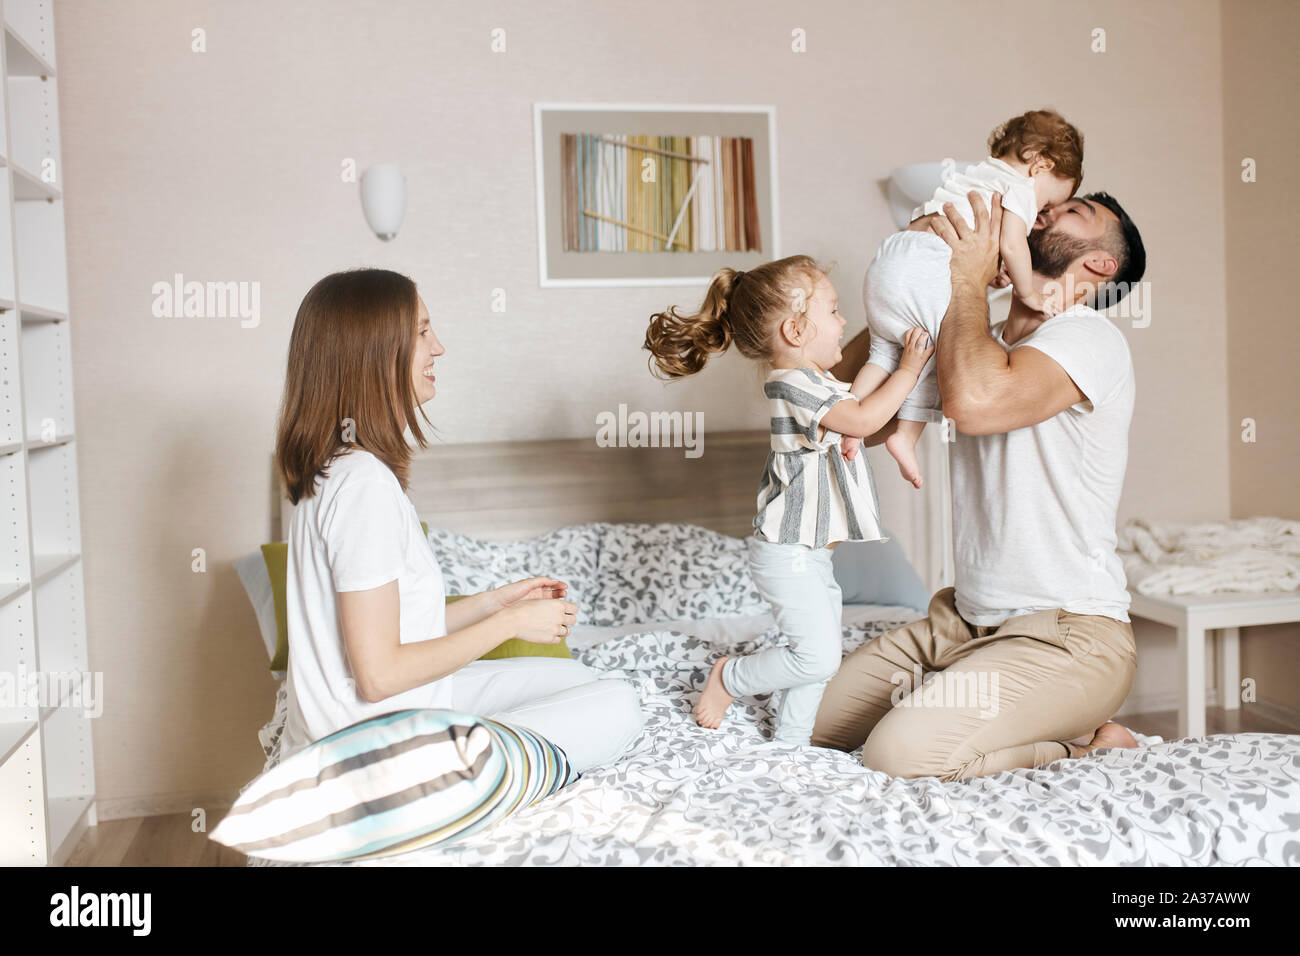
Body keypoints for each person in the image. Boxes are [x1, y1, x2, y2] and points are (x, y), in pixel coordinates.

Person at [813, 187, 1147, 780]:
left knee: (898, 757)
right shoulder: (976, 337)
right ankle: (979, 700)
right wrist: (911, 285)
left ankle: (1087, 746)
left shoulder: (1089, 339)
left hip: (1069, 636)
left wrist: (966, 282)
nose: (1041, 210)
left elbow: (976, 402)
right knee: (810, 721)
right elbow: (843, 410)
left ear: (1098, 265)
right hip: (962, 622)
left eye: (1071, 212)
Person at [274, 268, 643, 773]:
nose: (439, 348)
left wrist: (496, 603)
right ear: (376, 353)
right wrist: (511, 625)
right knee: (619, 707)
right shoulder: (362, 486)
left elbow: (392, 630)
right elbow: (379, 675)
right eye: (423, 332)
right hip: (369, 756)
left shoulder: (341, 467)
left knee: (589, 684)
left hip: (371, 726)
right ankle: (456, 791)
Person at [643, 256, 933, 745]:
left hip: (813, 556)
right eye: (834, 310)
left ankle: (791, 745)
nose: (843, 322)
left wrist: (886, 376)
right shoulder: (791, 383)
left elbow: (856, 406)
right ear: (796, 330)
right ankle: (729, 678)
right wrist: (909, 368)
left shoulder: (815, 379)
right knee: (816, 656)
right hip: (787, 556)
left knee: (819, 656)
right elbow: (861, 420)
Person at [861, 109, 1084, 488]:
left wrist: (993, 272)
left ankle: (849, 411)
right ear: (1040, 164)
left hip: (890, 260)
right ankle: (906, 434)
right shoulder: (1020, 189)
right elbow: (1013, 244)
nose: (1043, 213)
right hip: (924, 267)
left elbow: (978, 254)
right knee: (934, 351)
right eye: (1049, 202)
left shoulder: (978, 175)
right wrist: (1026, 289)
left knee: (884, 352)